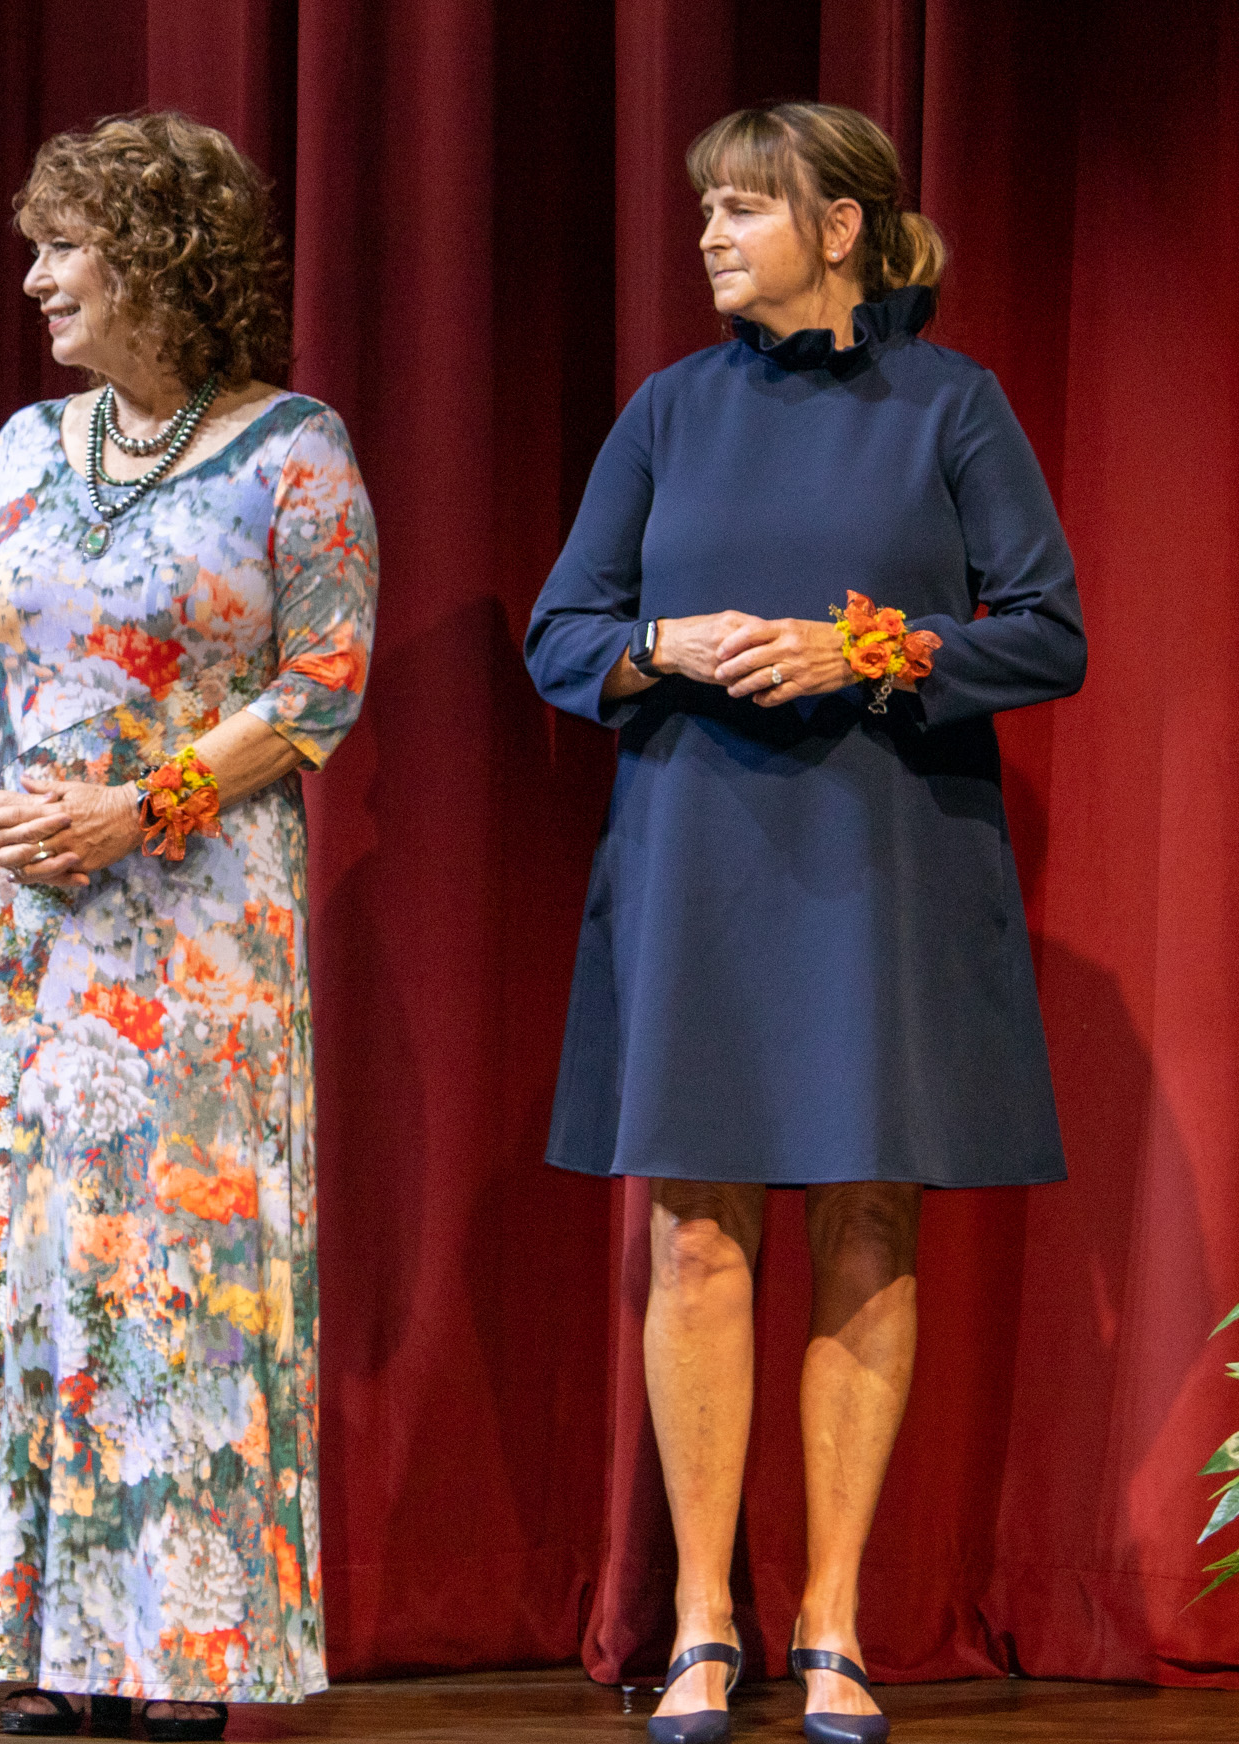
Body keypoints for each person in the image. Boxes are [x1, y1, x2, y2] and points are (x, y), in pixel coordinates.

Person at [523, 103, 1084, 1744]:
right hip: (700, 850)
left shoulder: (950, 405)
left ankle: (833, 1618)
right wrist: (669, 645)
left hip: (884, 853)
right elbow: (567, 633)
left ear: (841, 229)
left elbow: (1047, 633)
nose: (707, 235)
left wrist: (878, 652)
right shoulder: (668, 410)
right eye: (704, 209)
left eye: (744, 210)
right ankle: (704, 1616)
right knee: (693, 1227)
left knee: (869, 1220)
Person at [0, 112, 378, 1743]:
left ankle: (178, 1648)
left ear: (160, 260)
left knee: (174, 1267)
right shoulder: (30, 447)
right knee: (28, 1268)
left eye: (63, 246)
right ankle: (59, 1642)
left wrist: (142, 805)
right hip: (17, 920)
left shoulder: (293, 448)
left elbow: (321, 687)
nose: (33, 277)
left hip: (188, 929)